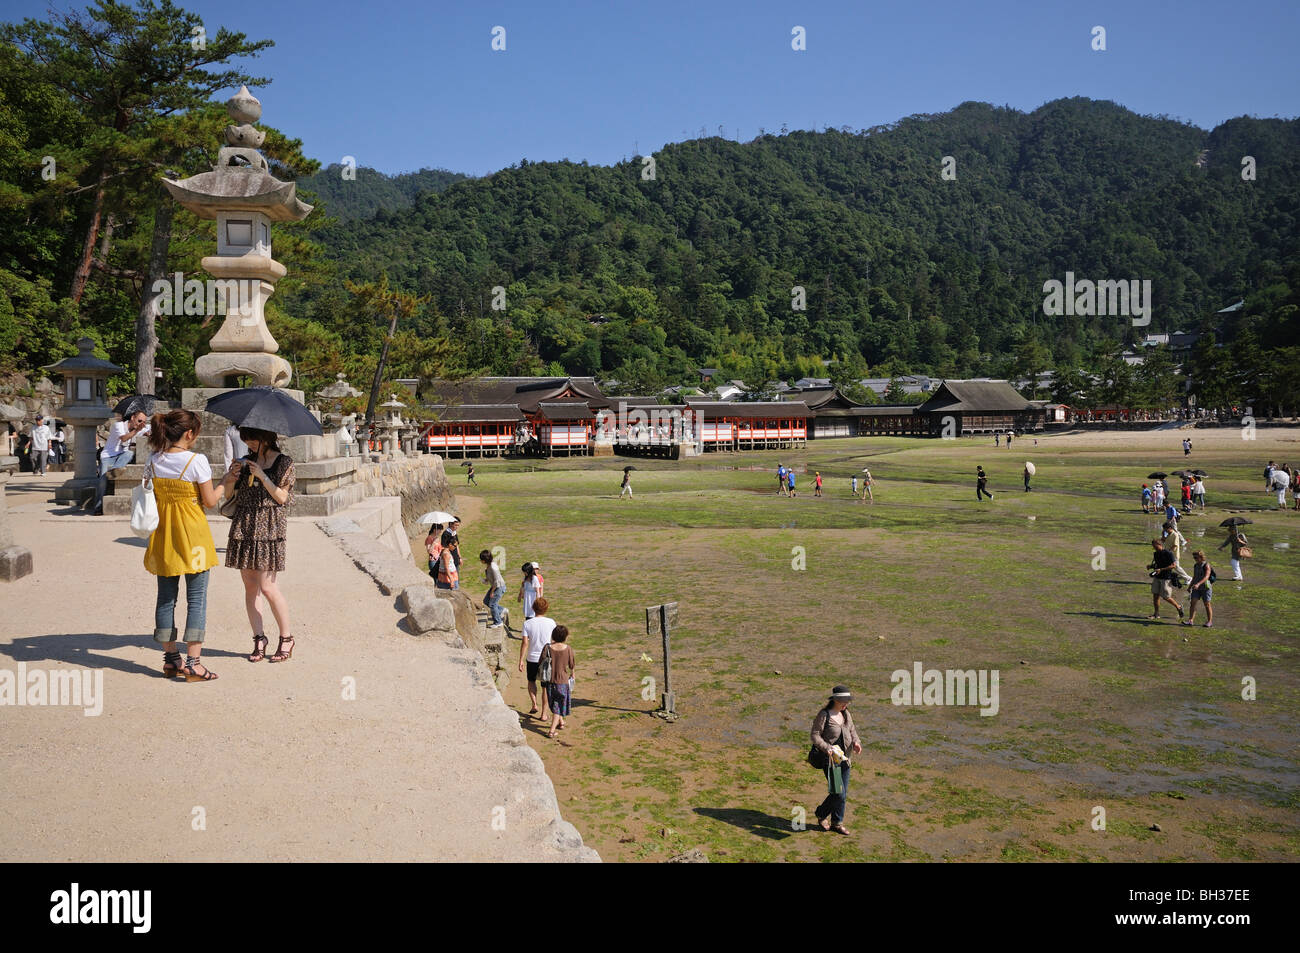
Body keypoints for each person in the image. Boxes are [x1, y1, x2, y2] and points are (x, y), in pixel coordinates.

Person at [144, 410, 227, 681]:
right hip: (193, 534)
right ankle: (193, 662)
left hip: (164, 533)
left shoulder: (154, 459)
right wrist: (227, 482)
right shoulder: (196, 460)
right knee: (196, 599)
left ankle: (171, 659)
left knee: (166, 598)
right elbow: (210, 501)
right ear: (189, 434)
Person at [224, 426, 297, 664]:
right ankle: (259, 638)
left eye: (253, 440)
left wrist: (263, 476)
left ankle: (286, 637)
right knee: (249, 585)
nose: (249, 445)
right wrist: (231, 476)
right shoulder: (245, 461)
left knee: (267, 586)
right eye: (246, 441)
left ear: (266, 438)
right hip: (245, 523)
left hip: (268, 526)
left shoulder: (284, 463)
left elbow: (282, 498)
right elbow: (227, 496)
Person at [809, 686, 861, 835]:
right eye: (844, 701)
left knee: (841, 793)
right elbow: (815, 735)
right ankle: (821, 813)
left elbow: (852, 731)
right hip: (830, 760)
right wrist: (827, 748)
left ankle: (837, 823)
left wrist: (856, 742)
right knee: (839, 793)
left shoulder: (846, 714)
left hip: (845, 759)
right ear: (836, 700)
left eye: (848, 701)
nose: (847, 704)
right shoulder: (824, 715)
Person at [94, 411, 151, 514]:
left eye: (143, 422)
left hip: (121, 456)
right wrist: (137, 430)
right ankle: (98, 507)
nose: (140, 424)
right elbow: (124, 438)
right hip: (108, 456)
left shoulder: (139, 428)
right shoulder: (118, 425)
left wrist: (147, 433)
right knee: (102, 482)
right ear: (133, 418)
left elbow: (149, 431)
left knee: (129, 453)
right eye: (139, 421)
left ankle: (114, 470)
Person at [518, 597, 556, 718]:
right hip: (546, 658)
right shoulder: (551, 622)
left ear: (533, 608)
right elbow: (554, 641)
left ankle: (534, 704)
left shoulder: (527, 623)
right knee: (545, 687)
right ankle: (544, 714)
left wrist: (521, 660)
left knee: (531, 681)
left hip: (532, 658)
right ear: (546, 609)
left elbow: (525, 643)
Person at [543, 624, 575, 738]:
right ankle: (551, 731)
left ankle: (560, 722)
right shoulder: (568, 649)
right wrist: (573, 674)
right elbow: (571, 665)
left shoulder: (547, 648)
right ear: (565, 637)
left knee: (555, 704)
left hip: (550, 681)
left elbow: (540, 662)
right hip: (562, 681)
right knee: (558, 705)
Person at [1147, 539, 1185, 622]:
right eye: (1153, 546)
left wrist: (1161, 569)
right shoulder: (1156, 554)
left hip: (1166, 578)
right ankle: (1156, 614)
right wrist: (1151, 566)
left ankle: (1178, 607)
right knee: (1155, 595)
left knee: (1166, 597)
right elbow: (1158, 564)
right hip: (1157, 577)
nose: (1153, 547)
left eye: (1154, 545)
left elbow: (1173, 566)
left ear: (1159, 544)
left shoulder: (1168, 553)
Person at [1183, 550, 1213, 628]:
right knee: (1193, 603)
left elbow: (1206, 577)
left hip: (1205, 588)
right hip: (1196, 587)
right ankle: (1190, 620)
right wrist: (1190, 586)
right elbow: (1194, 577)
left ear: (1201, 557)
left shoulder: (1206, 565)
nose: (1195, 559)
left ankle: (1209, 621)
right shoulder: (1196, 565)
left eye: (1196, 557)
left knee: (1207, 604)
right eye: (1194, 557)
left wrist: (1198, 584)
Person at [480, 549, 507, 628]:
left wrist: (492, 592)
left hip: (499, 587)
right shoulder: (489, 566)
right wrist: (485, 580)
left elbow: (497, 581)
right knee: (486, 601)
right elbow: (491, 578)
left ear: (484, 560)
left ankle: (498, 622)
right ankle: (502, 610)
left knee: (492, 604)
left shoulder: (493, 567)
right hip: (495, 586)